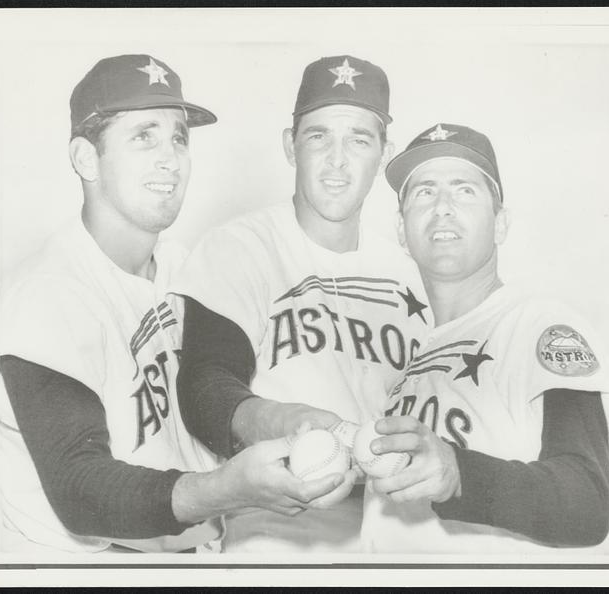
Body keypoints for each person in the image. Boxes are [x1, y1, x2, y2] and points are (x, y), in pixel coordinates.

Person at [0, 54, 345, 554]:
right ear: (85, 158)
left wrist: (271, 418)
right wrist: (227, 489)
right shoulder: (46, 295)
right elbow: (80, 487)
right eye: (143, 136)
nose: (170, 158)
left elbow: (205, 385)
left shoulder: (182, 265)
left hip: (189, 554)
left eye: (179, 137)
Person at [173, 55, 430, 552]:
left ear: (384, 152)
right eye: (318, 136)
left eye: (359, 139)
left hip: (397, 534)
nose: (338, 160)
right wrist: (280, 420)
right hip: (274, 532)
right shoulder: (240, 246)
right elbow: (205, 380)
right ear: (290, 146)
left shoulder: (409, 271)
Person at [359, 123, 609, 553]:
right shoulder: (406, 368)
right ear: (402, 232)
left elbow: (589, 501)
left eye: (464, 190)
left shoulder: (541, 326)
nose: (442, 207)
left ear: (501, 223)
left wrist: (460, 474)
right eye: (423, 191)